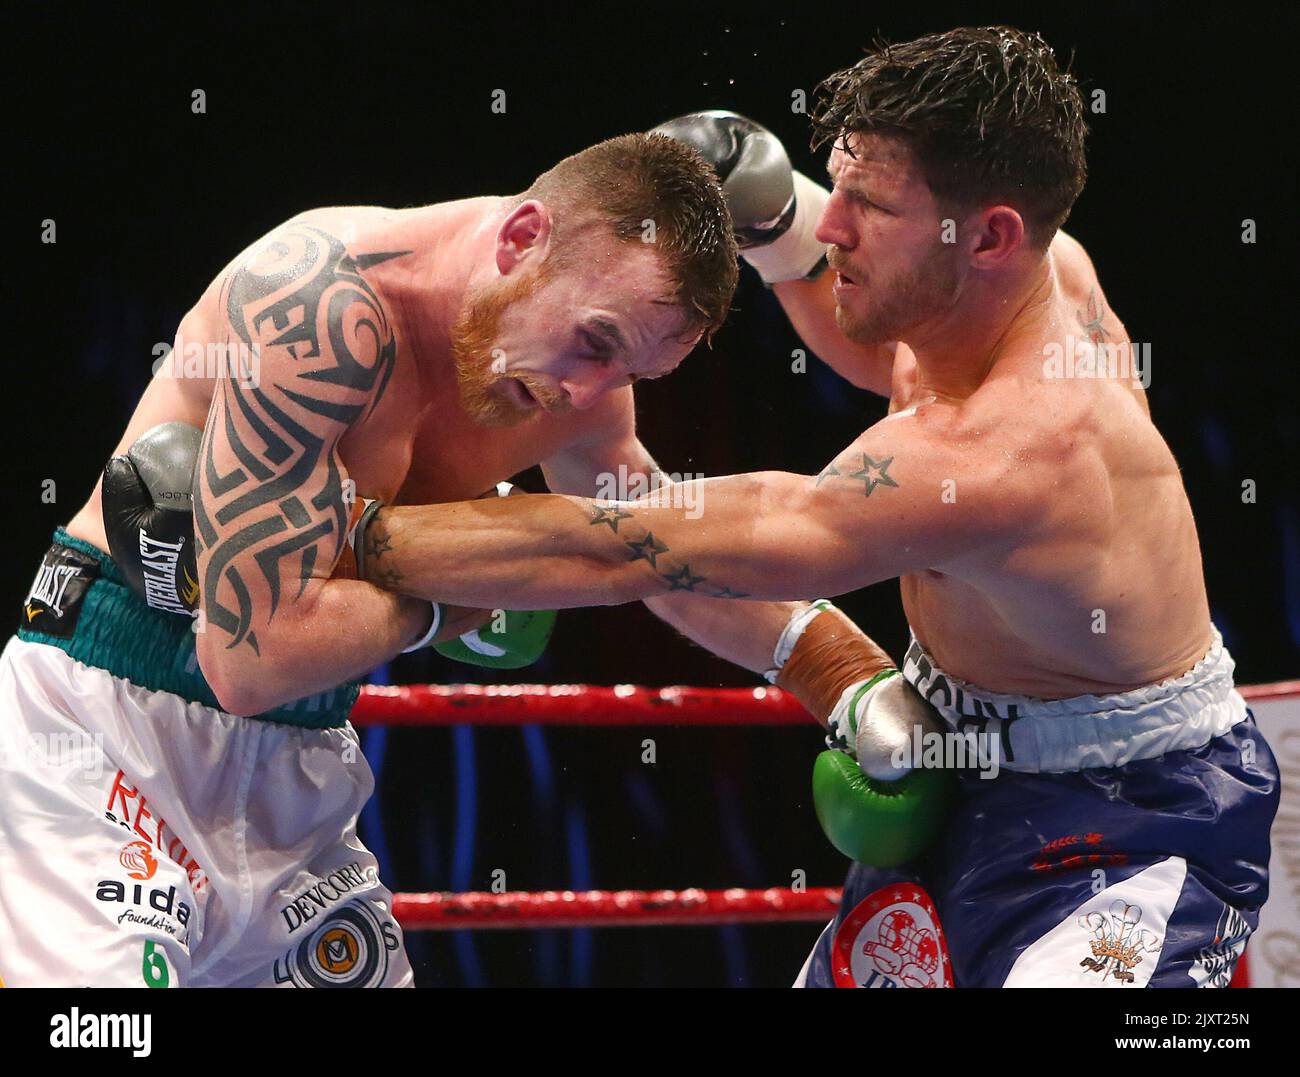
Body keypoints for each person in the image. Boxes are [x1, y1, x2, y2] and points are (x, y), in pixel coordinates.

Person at [341, 27, 1280, 987]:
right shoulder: (1028, 278)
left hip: (1136, 826)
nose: (834, 226)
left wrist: (345, 535)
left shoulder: (1010, 452)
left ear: (989, 234)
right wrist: (777, 222)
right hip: (959, 782)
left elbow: (632, 548)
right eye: (840, 187)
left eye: (868, 205)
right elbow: (877, 340)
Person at [3, 131, 920, 986]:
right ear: (524, 235)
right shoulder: (316, 306)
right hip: (105, 729)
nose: (586, 390)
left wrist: (841, 674)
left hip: (300, 771)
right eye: (594, 342)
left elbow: (645, 550)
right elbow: (251, 659)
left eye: (631, 376)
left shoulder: (577, 383)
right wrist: (471, 584)